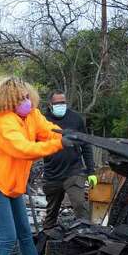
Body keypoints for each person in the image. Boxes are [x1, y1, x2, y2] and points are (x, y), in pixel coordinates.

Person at [0, 76, 64, 255]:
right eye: (20, 99)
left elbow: (49, 131)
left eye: (26, 97)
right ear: (8, 101)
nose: (25, 101)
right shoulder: (5, 124)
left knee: (25, 233)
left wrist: (62, 135)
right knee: (8, 237)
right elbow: (24, 150)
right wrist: (59, 144)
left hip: (13, 186)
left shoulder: (33, 114)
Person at [41, 92, 95, 229]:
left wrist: (91, 171)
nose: (61, 105)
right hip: (52, 173)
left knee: (79, 205)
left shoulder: (76, 119)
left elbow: (86, 145)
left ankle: (86, 235)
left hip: (74, 171)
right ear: (50, 104)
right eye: (57, 103)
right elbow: (32, 146)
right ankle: (47, 239)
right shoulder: (42, 121)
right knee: (51, 212)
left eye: (63, 103)